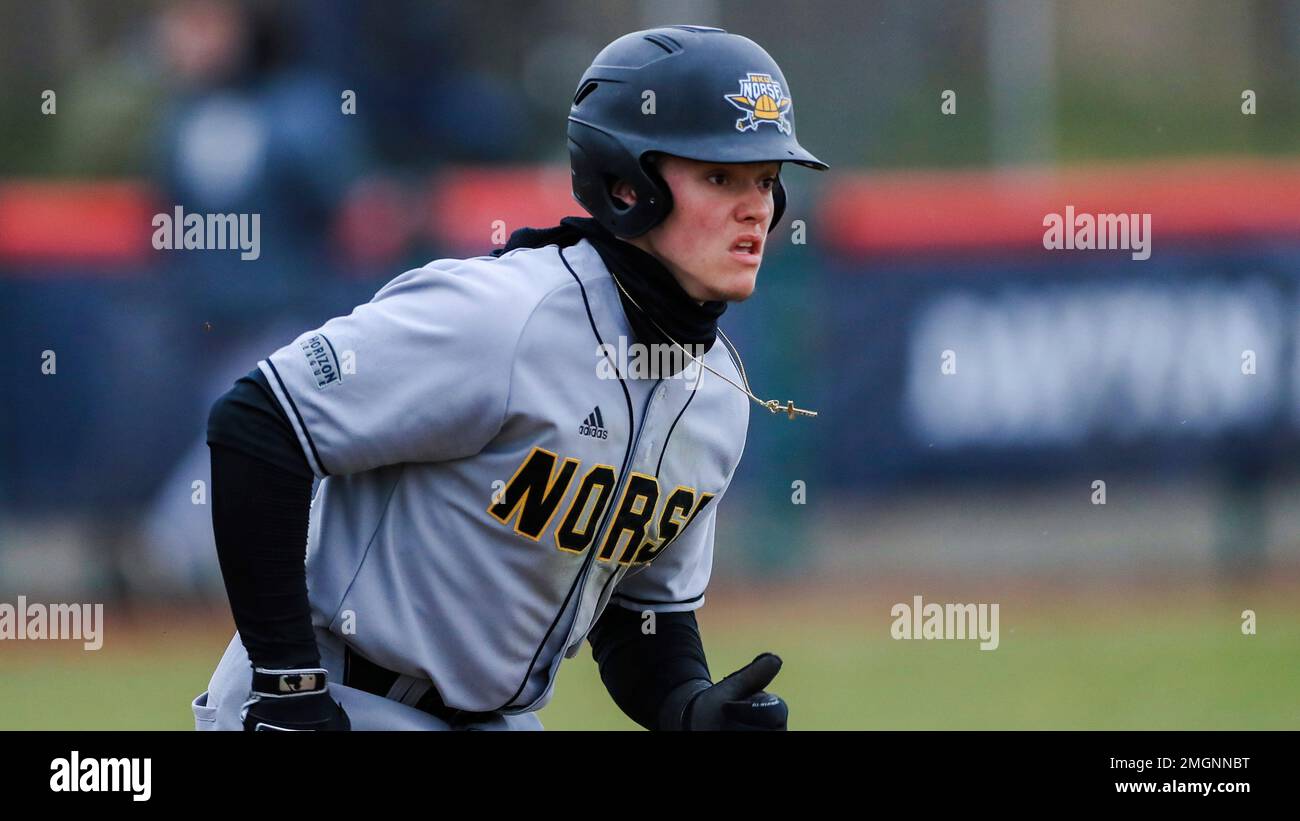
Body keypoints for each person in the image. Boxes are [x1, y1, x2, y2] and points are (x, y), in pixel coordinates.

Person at [191, 24, 826, 732]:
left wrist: (688, 705)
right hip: (344, 694)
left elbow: (641, 620)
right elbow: (259, 420)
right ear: (625, 185)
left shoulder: (716, 396)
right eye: (721, 176)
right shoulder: (504, 316)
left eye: (767, 181)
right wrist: (287, 684)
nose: (756, 209)